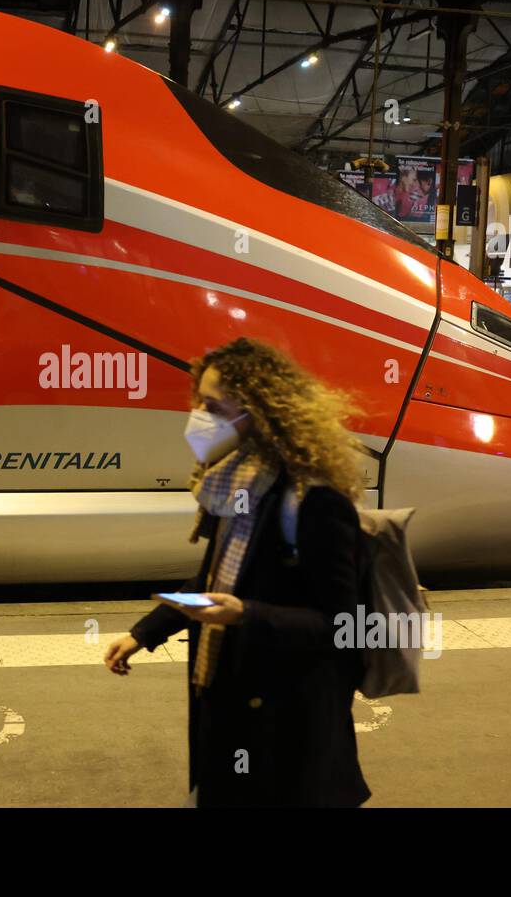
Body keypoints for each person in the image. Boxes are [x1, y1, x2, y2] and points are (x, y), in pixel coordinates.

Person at [103, 337, 371, 808]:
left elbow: (343, 624)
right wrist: (145, 633)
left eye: (212, 407)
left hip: (286, 723)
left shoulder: (312, 500)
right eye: (198, 402)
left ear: (257, 414)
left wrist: (247, 614)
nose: (198, 417)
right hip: (227, 698)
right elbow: (216, 580)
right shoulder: (235, 484)